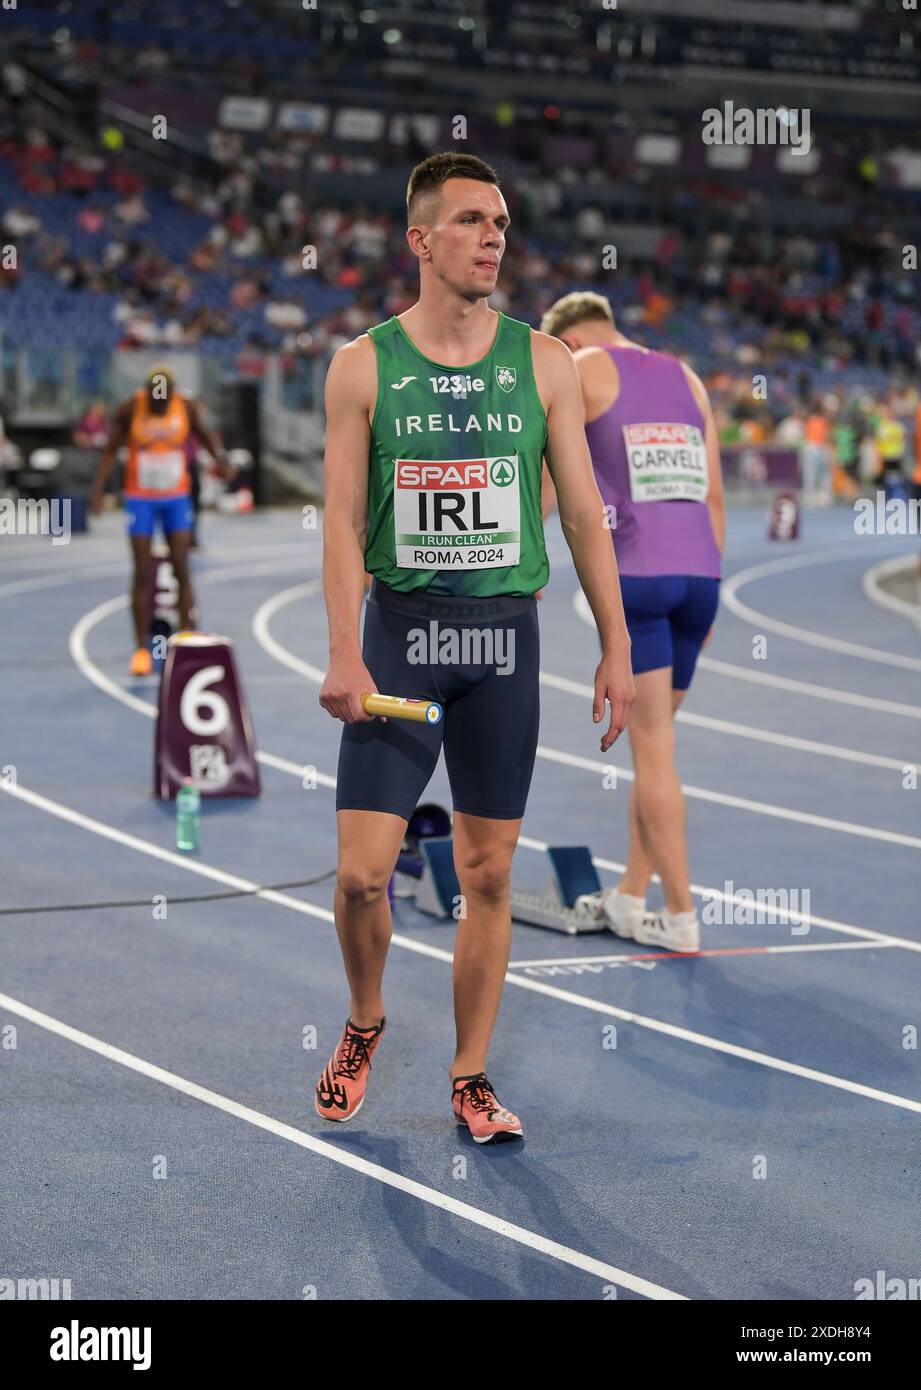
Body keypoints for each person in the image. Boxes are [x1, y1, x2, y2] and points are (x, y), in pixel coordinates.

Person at [316, 153, 635, 1143]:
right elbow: (336, 518)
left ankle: (470, 1075)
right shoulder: (362, 364)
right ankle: (366, 1019)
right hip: (403, 637)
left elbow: (583, 515)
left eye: (500, 219)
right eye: (469, 220)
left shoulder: (544, 364)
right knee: (364, 873)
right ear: (420, 240)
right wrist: (342, 653)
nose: (494, 234)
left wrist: (616, 645)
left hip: (504, 643)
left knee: (490, 874)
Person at [540, 291, 725, 953]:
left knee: (651, 753)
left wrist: (527, 568)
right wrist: (711, 589)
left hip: (637, 581)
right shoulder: (687, 377)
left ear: (565, 339)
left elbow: (546, 480)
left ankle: (679, 915)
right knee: (658, 750)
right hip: (698, 580)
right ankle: (630, 893)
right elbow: (713, 494)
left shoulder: (579, 367)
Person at [89, 367, 229, 675]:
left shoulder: (186, 407)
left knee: (181, 565)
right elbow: (111, 450)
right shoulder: (130, 408)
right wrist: (97, 492)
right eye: (155, 402)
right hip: (141, 498)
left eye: (164, 403)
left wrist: (222, 462)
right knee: (141, 570)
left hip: (176, 498)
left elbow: (205, 437)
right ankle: (141, 649)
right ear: (147, 394)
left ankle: (189, 640)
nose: (159, 407)